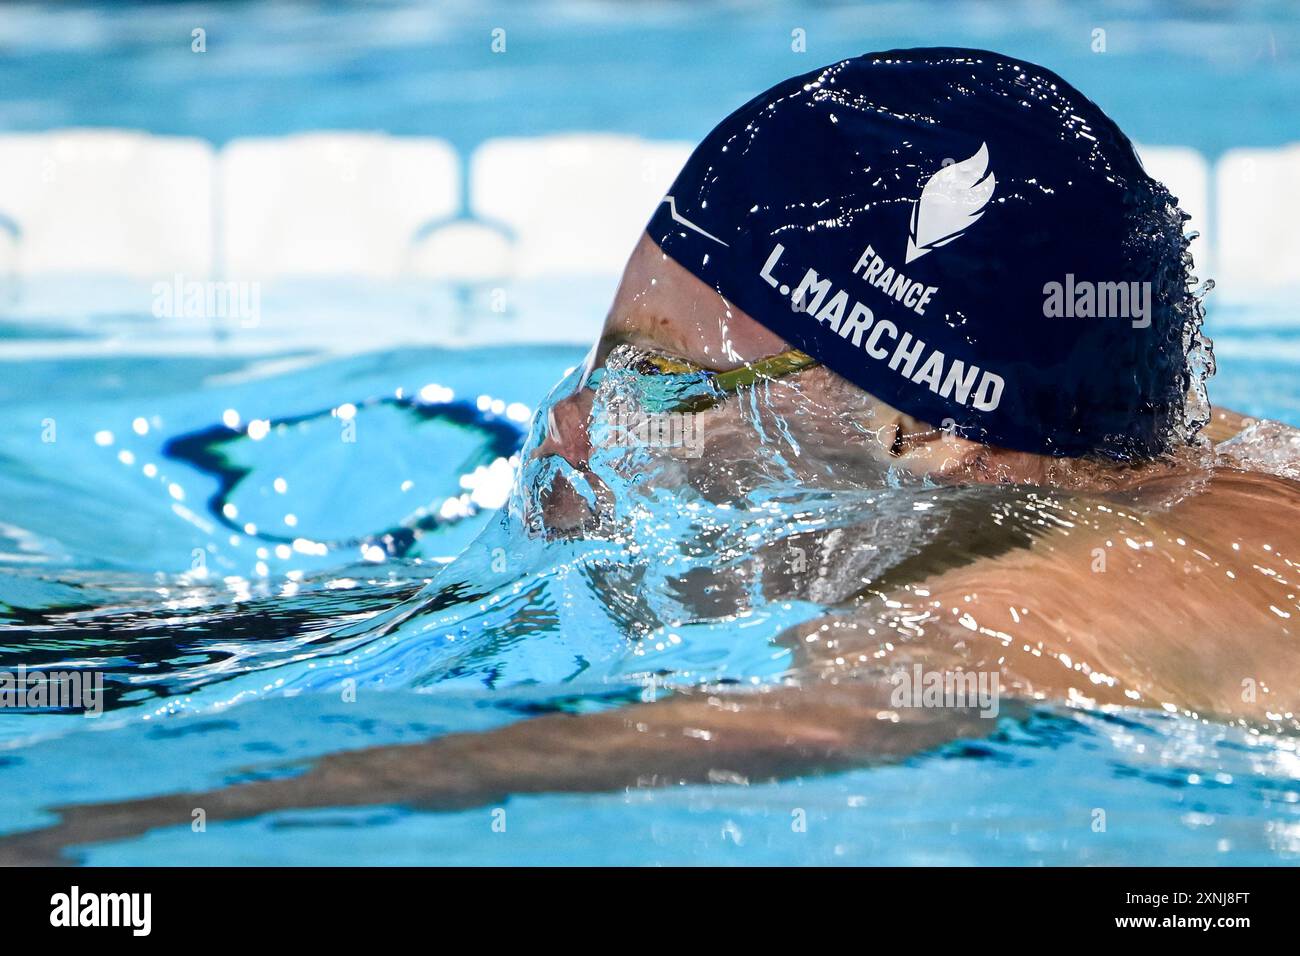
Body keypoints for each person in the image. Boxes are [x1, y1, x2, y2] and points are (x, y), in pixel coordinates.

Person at [3, 48, 1298, 864]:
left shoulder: (1009, 616)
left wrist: (112, 829)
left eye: (671, 385)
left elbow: (781, 733)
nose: (569, 426)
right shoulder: (1206, 460)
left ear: (938, 439)